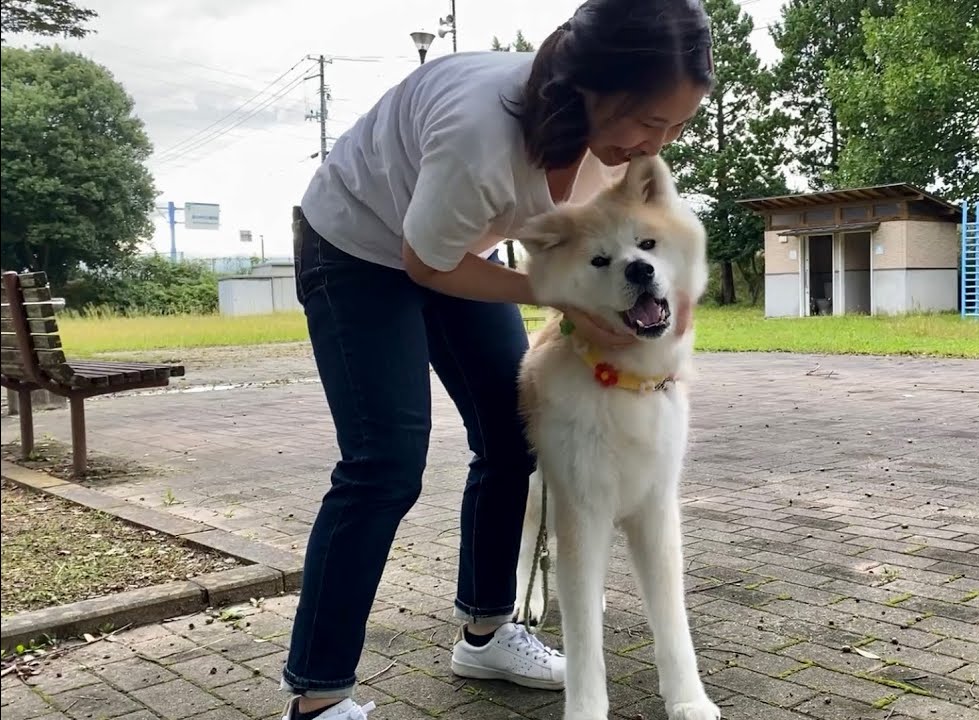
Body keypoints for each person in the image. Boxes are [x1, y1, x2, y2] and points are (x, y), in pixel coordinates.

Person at [279, 0, 714, 717]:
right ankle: (317, 696)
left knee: (512, 437)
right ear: (596, 86)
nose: (656, 145)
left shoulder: (611, 148)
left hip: (451, 248)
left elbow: (633, 241)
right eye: (648, 121)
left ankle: (485, 632)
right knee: (384, 463)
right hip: (356, 246)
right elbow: (426, 263)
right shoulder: (481, 133)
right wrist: (562, 298)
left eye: (676, 127)